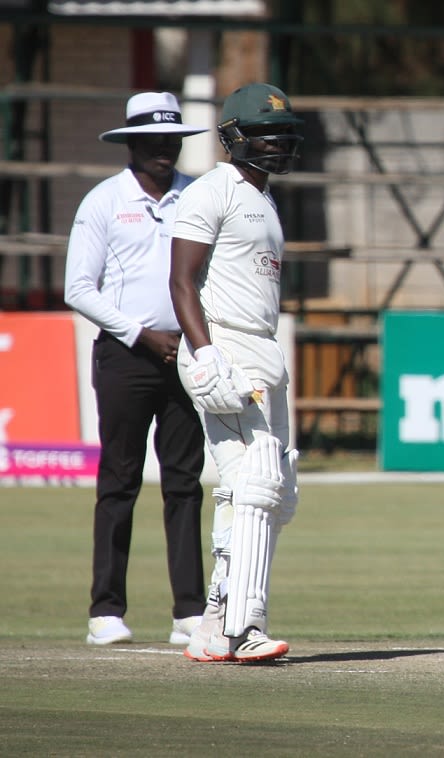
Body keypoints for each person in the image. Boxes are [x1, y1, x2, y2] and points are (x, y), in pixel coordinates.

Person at [65, 92, 210, 647]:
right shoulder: (104, 201)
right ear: (130, 143)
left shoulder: (195, 198)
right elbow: (78, 287)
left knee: (184, 483)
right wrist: (141, 334)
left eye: (171, 141)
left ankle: (190, 612)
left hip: (186, 354)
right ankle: (106, 611)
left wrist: (193, 339)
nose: (163, 151)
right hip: (126, 356)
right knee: (119, 481)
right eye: (152, 141)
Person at [169, 82, 304, 663]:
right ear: (232, 138)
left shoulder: (266, 199)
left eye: (282, 135)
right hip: (223, 344)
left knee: (274, 491)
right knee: (255, 484)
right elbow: (181, 281)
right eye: (263, 135)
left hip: (262, 349)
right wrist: (204, 355)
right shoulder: (211, 190)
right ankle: (243, 628)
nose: (274, 146)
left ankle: (212, 625)